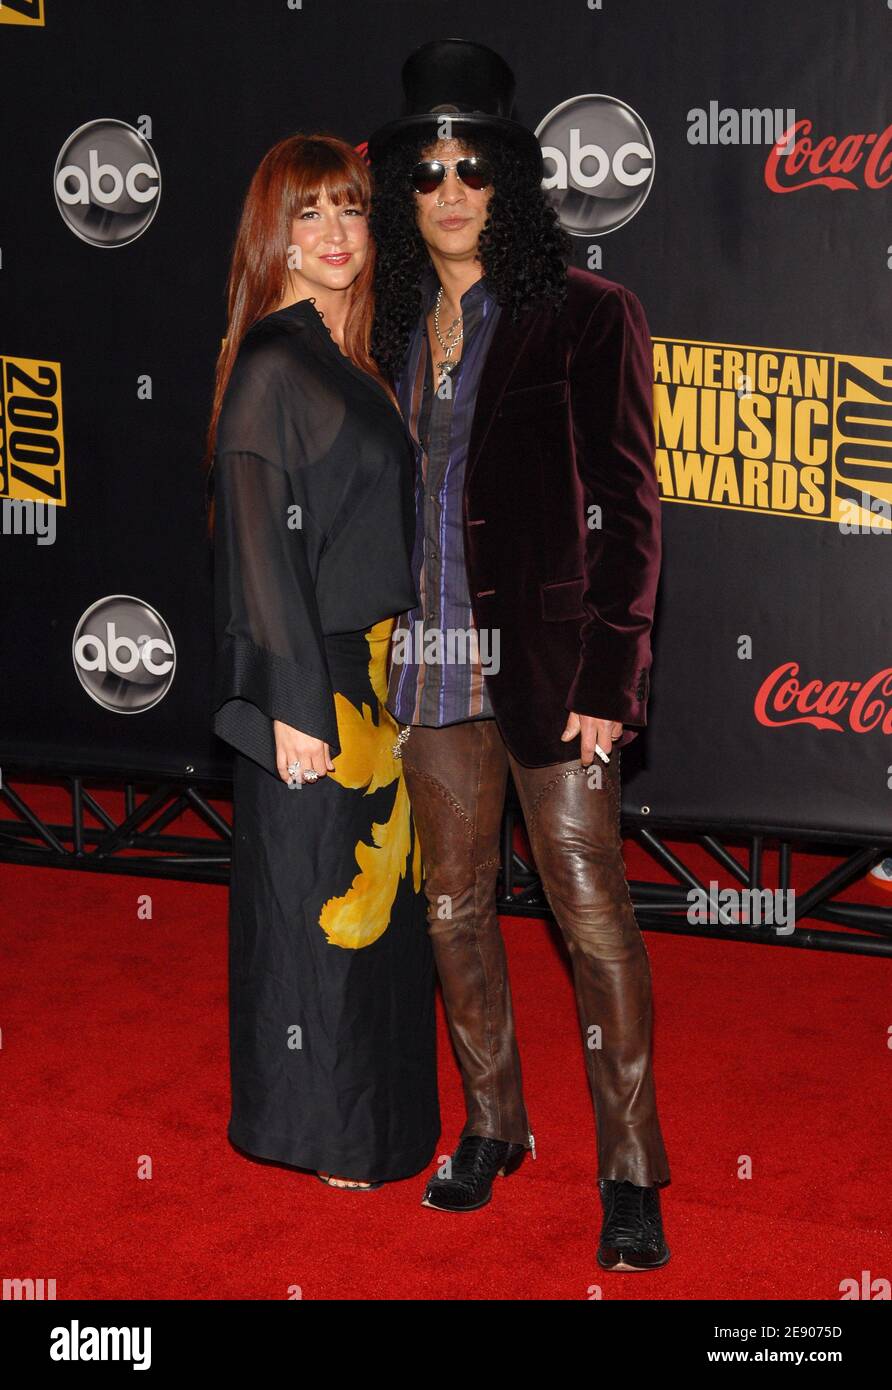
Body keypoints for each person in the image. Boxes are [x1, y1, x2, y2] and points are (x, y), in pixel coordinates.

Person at [368, 39, 671, 1268]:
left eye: (472, 165)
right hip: (430, 667)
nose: (448, 188)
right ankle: (494, 1122)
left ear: (509, 181)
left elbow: (633, 508)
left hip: (549, 668)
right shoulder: (383, 325)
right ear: (407, 193)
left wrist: (613, 675)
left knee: (588, 912)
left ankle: (632, 1166)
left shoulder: (586, 317)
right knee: (451, 907)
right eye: (427, 170)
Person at [207, 133, 439, 1190]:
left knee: (377, 907)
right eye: (308, 215)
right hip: (318, 688)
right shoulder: (272, 361)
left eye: (348, 209)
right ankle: (324, 1132)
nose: (335, 233)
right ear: (276, 235)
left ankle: (378, 1121)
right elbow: (257, 541)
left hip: (375, 678)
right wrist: (290, 706)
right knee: (320, 906)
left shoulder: (349, 360)